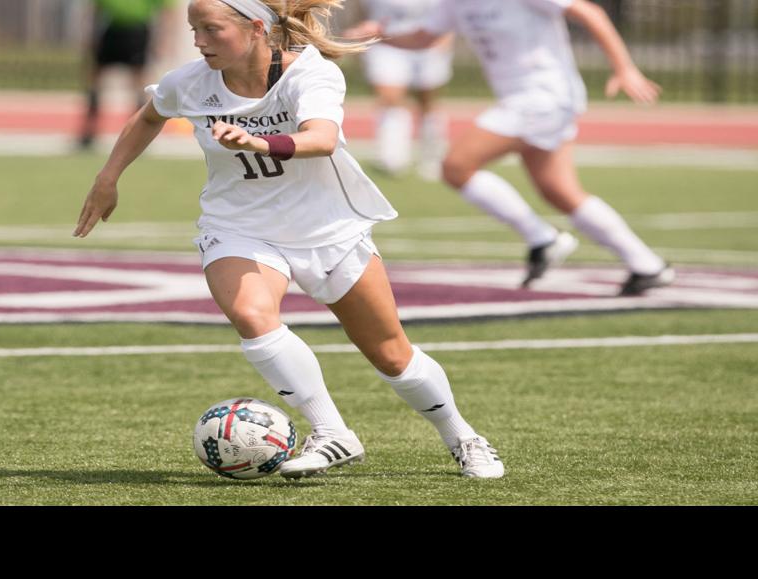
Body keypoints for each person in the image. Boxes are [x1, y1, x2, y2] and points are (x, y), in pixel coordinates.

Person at [73, 0, 506, 479]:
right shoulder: (189, 81)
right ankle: (333, 433)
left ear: (256, 28)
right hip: (239, 226)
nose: (199, 41)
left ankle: (463, 436)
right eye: (194, 29)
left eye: (211, 30)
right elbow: (149, 115)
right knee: (251, 314)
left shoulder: (311, 74)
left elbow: (321, 138)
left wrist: (260, 142)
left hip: (327, 228)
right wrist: (108, 177)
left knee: (391, 354)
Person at [356, 0, 673, 295]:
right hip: (526, 101)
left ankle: (543, 238)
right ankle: (648, 265)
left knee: (456, 166)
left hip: (543, 97)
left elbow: (591, 13)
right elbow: (424, 38)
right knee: (559, 191)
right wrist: (381, 36)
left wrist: (624, 69)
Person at [343, 0, 455, 178]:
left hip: (429, 42)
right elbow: (360, 10)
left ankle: (432, 155)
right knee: (389, 97)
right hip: (386, 42)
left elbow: (449, 9)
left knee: (426, 100)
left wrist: (447, 34)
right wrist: (358, 30)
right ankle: (393, 157)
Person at [79, 0, 171, 151]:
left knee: (140, 83)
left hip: (138, 30)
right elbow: (94, 8)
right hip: (112, 29)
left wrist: (164, 40)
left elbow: (167, 11)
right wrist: (89, 36)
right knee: (94, 78)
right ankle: (89, 131)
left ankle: (139, 135)